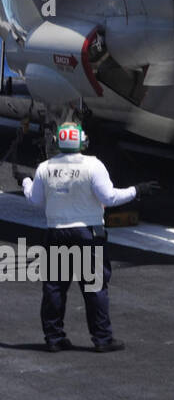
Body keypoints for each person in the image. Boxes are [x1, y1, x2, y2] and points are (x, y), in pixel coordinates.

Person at [22, 119, 158, 353]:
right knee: (94, 287)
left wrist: (26, 182)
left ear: (56, 142)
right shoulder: (94, 165)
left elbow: (35, 200)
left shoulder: (45, 168)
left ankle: (54, 338)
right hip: (87, 233)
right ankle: (102, 339)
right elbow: (110, 198)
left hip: (56, 232)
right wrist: (138, 190)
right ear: (83, 141)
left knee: (54, 287)